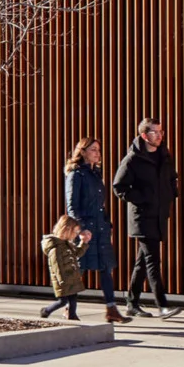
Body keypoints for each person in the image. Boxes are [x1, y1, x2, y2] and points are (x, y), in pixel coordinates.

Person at [113, 117, 180, 319]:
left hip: (159, 216)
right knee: (153, 261)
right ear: (144, 135)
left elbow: (172, 177)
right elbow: (119, 187)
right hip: (142, 218)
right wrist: (144, 199)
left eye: (161, 131)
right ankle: (163, 306)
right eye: (155, 132)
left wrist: (171, 193)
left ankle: (132, 303)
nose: (159, 135)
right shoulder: (132, 159)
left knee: (142, 262)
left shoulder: (164, 155)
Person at [63, 136, 126, 324]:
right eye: (93, 150)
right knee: (79, 269)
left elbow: (100, 204)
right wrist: (81, 229)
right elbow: (72, 206)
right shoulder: (76, 175)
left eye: (98, 150)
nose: (98, 153)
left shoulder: (96, 174)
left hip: (100, 229)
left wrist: (107, 224)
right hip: (85, 231)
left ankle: (111, 310)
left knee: (106, 268)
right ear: (83, 152)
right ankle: (70, 309)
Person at [39, 214, 89, 320]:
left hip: (70, 278)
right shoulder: (55, 248)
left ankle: (72, 315)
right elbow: (57, 266)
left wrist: (83, 243)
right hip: (63, 280)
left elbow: (77, 254)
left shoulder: (66, 244)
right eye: (75, 232)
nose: (76, 235)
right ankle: (46, 311)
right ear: (67, 230)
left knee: (73, 298)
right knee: (63, 301)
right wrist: (62, 281)